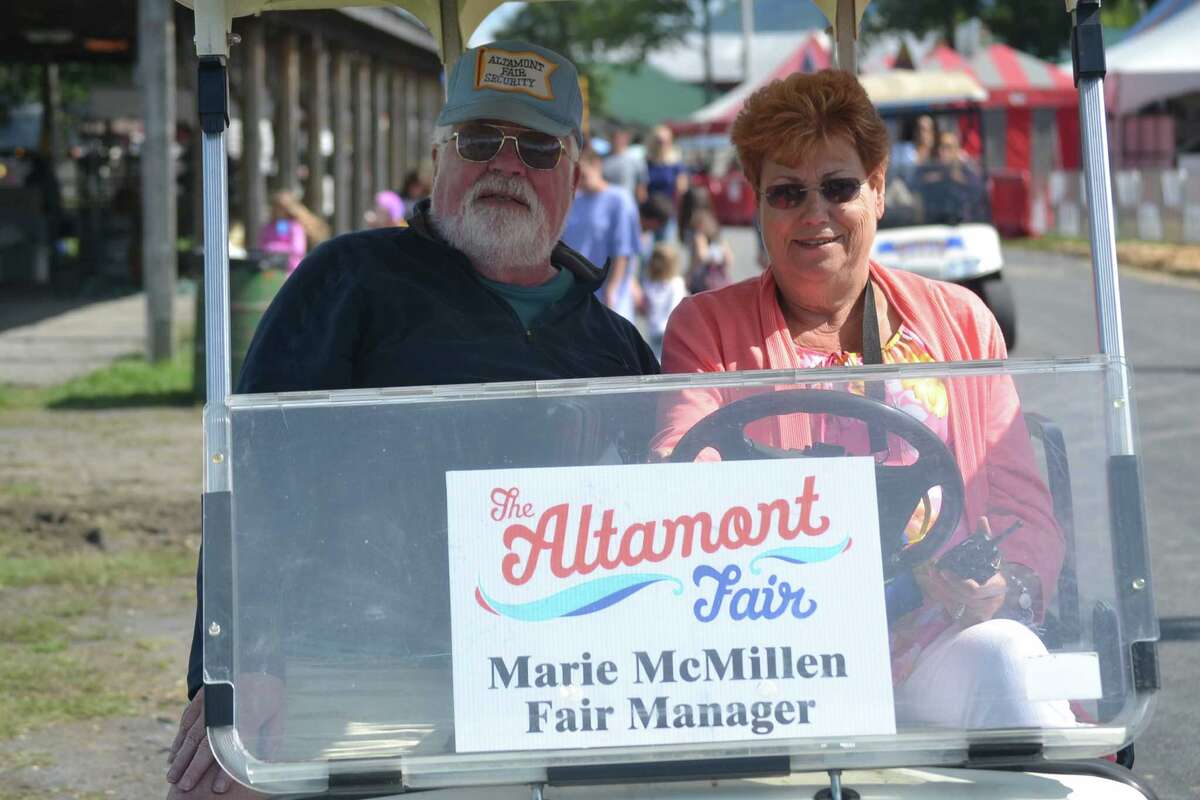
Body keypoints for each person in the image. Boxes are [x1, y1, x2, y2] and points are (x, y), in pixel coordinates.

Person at [166, 39, 659, 799]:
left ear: (571, 174)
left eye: (536, 146)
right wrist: (240, 672)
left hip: (563, 685)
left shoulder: (614, 344)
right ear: (438, 157)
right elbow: (258, 476)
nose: (507, 164)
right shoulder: (352, 278)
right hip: (358, 674)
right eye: (479, 140)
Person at [650, 70, 1072, 731]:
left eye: (838, 187)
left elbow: (1024, 508)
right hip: (781, 647)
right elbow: (682, 468)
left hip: (945, 632)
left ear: (876, 189)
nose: (813, 213)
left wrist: (1005, 587)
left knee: (1011, 661)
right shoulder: (707, 328)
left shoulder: (961, 320)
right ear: (758, 206)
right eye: (787, 193)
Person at [562, 144, 643, 321]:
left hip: (609, 296)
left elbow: (623, 250)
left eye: (582, 175)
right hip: (577, 294)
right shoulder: (573, 201)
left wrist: (612, 288)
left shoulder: (620, 200)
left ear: (597, 165)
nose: (579, 182)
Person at [256, 191, 329, 273]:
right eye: (276, 207)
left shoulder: (294, 227)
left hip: (290, 270)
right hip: (270, 269)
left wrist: (274, 247)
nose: (278, 210)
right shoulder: (269, 226)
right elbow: (261, 244)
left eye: (281, 207)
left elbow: (298, 249)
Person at [640, 241, 687, 359]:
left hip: (668, 331)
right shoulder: (649, 282)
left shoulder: (676, 283)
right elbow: (646, 306)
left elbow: (675, 308)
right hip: (654, 330)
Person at [645, 124, 689, 242]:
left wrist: (680, 216)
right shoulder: (647, 163)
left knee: (663, 250)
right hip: (648, 214)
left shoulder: (676, 165)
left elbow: (682, 191)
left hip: (667, 213)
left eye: (665, 141)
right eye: (659, 141)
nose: (662, 145)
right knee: (646, 254)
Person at [683, 208, 733, 295]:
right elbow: (729, 261)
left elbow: (700, 257)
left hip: (701, 282)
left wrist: (688, 275)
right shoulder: (720, 240)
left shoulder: (699, 237)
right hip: (719, 282)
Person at [602, 127, 648, 203]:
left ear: (626, 138)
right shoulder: (602, 159)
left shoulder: (636, 160)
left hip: (626, 205)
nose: (616, 139)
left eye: (619, 136)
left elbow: (641, 190)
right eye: (613, 136)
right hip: (605, 204)